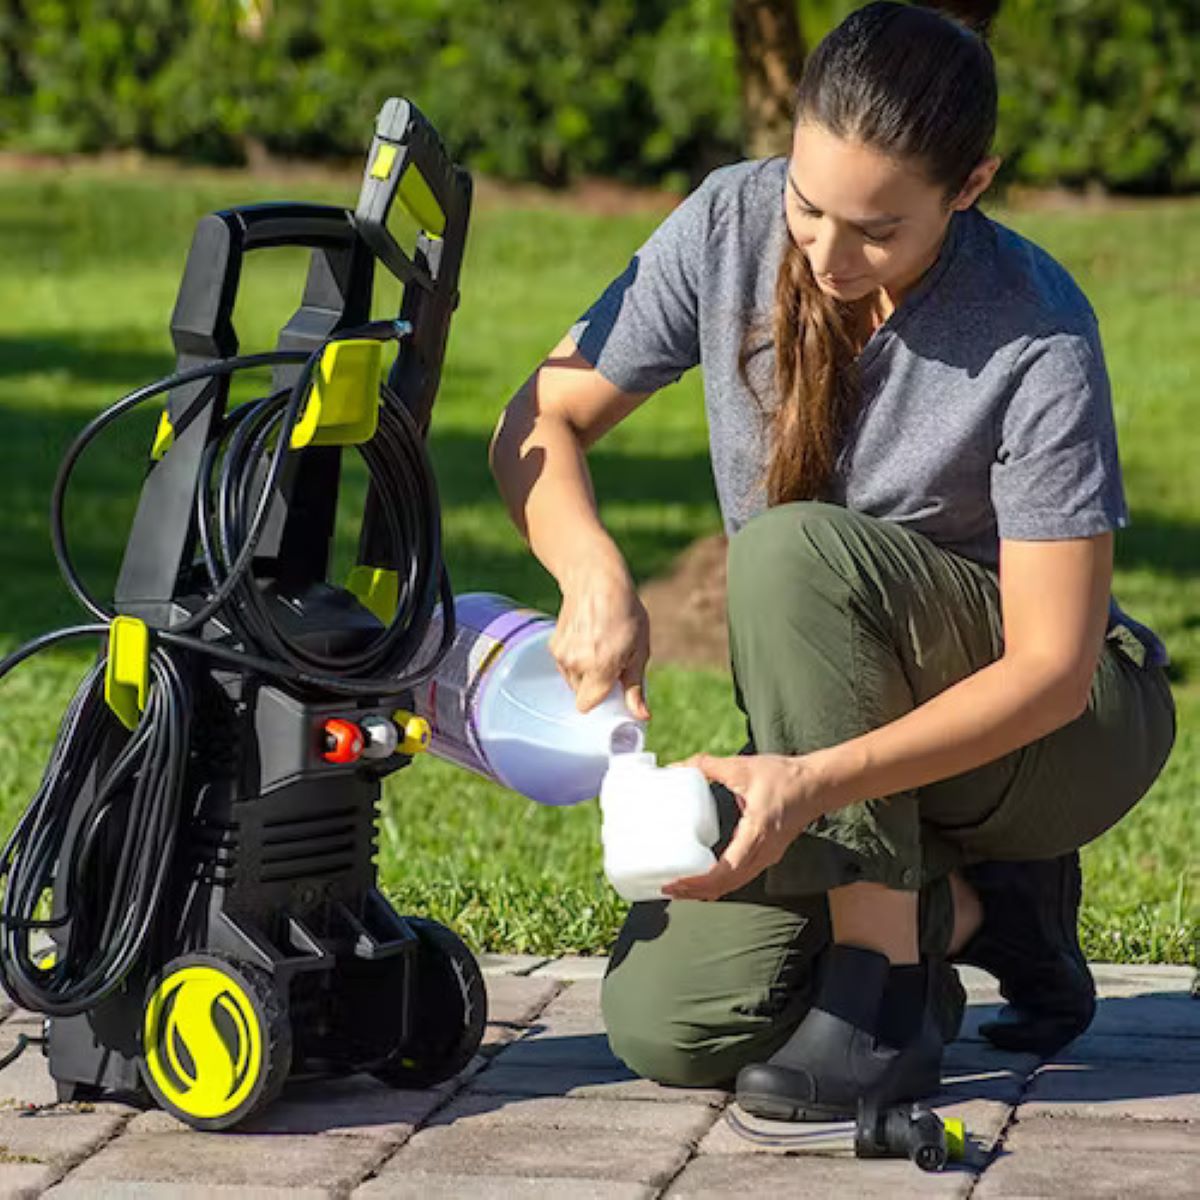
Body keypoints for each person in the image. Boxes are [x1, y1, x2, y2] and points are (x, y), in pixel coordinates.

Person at [488, 0, 1175, 1121]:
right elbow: (539, 420)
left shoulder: (1036, 327)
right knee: (669, 1023)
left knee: (789, 551)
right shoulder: (727, 225)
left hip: (1057, 734)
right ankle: (979, 909)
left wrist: (807, 784)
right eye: (808, 205)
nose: (827, 251)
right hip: (862, 736)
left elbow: (1052, 666)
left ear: (971, 184)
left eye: (879, 228)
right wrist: (591, 573)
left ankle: (884, 997)